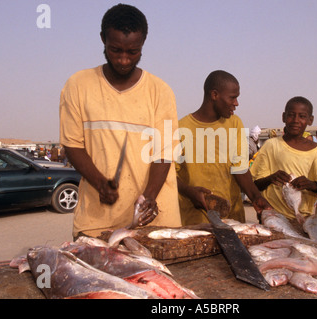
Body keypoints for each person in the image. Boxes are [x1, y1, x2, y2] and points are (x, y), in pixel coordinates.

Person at [59, 4, 182, 239]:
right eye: (115, 50)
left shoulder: (161, 91)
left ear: (143, 43)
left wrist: (148, 199)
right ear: (103, 39)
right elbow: (72, 145)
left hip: (155, 222)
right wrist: (100, 183)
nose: (124, 60)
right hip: (97, 222)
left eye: (133, 52)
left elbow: (164, 153)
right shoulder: (78, 85)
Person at [176, 70, 271, 225]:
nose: (236, 103)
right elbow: (171, 175)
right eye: (233, 97)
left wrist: (256, 197)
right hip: (195, 221)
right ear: (214, 95)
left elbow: (240, 168)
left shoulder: (235, 123)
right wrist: (189, 192)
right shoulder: (181, 129)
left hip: (232, 219)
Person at [250, 96, 317, 223]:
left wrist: (311, 184)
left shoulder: (316, 149)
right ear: (283, 117)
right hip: (273, 217)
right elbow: (255, 184)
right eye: (291, 115)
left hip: (302, 219)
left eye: (302, 116)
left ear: (310, 120)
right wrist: (271, 178)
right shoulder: (271, 145)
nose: (295, 120)